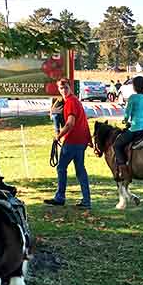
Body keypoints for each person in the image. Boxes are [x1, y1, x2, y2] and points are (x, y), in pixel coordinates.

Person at [44, 78, 92, 209]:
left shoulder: (70, 102)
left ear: (70, 87)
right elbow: (84, 121)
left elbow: (70, 123)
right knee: (80, 170)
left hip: (72, 141)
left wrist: (58, 136)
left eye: (65, 88)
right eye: (61, 88)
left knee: (61, 168)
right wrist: (89, 139)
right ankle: (86, 201)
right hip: (81, 141)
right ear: (58, 89)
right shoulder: (76, 100)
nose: (63, 91)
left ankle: (60, 197)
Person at [115, 75, 143, 179]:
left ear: (134, 87)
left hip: (135, 128)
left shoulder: (132, 98)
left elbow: (128, 113)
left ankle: (123, 168)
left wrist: (125, 121)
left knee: (117, 145)